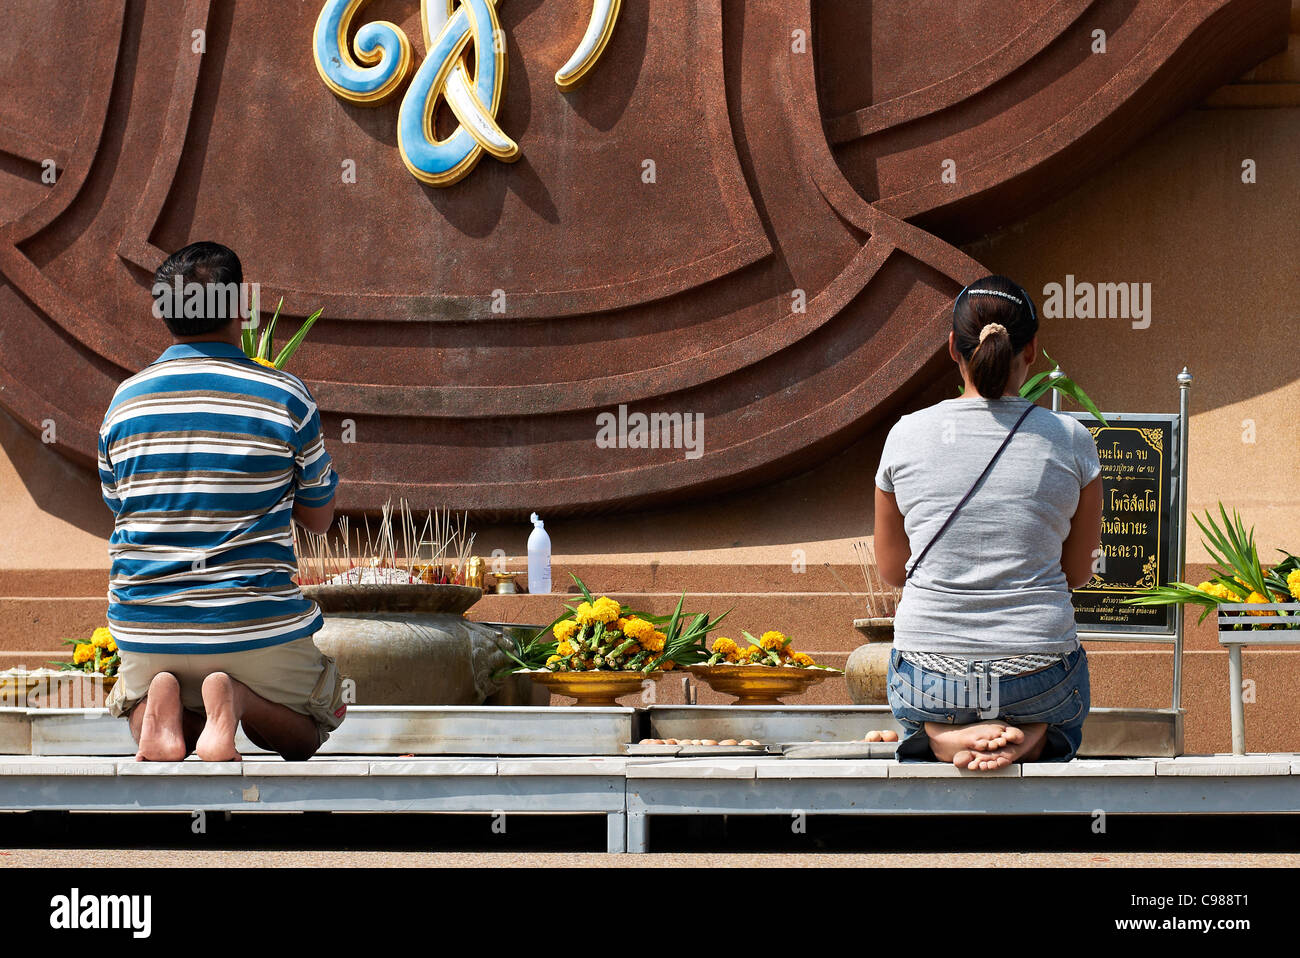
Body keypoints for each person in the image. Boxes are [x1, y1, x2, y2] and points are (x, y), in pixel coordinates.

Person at [99, 241, 345, 762]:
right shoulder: (284, 395)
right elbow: (320, 519)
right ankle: (233, 699)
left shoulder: (124, 402)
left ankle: (160, 706)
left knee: (140, 699)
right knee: (312, 727)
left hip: (146, 625)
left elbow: (122, 508)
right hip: (252, 627)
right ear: (239, 308)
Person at [873, 275, 1102, 770]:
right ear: (1033, 350)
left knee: (920, 704)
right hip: (1039, 677)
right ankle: (1036, 733)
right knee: (1061, 705)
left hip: (928, 678)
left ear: (953, 347)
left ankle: (935, 734)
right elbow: (1078, 573)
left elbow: (893, 571)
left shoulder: (905, 435)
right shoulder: (1071, 440)